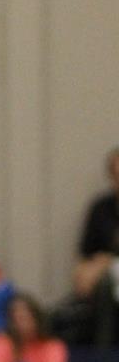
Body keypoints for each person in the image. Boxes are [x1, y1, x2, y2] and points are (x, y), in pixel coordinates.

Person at [74, 147, 119, 347]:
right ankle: (104, 352)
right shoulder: (101, 208)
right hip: (103, 272)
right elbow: (87, 252)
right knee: (102, 282)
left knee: (108, 279)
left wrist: (107, 260)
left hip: (108, 268)